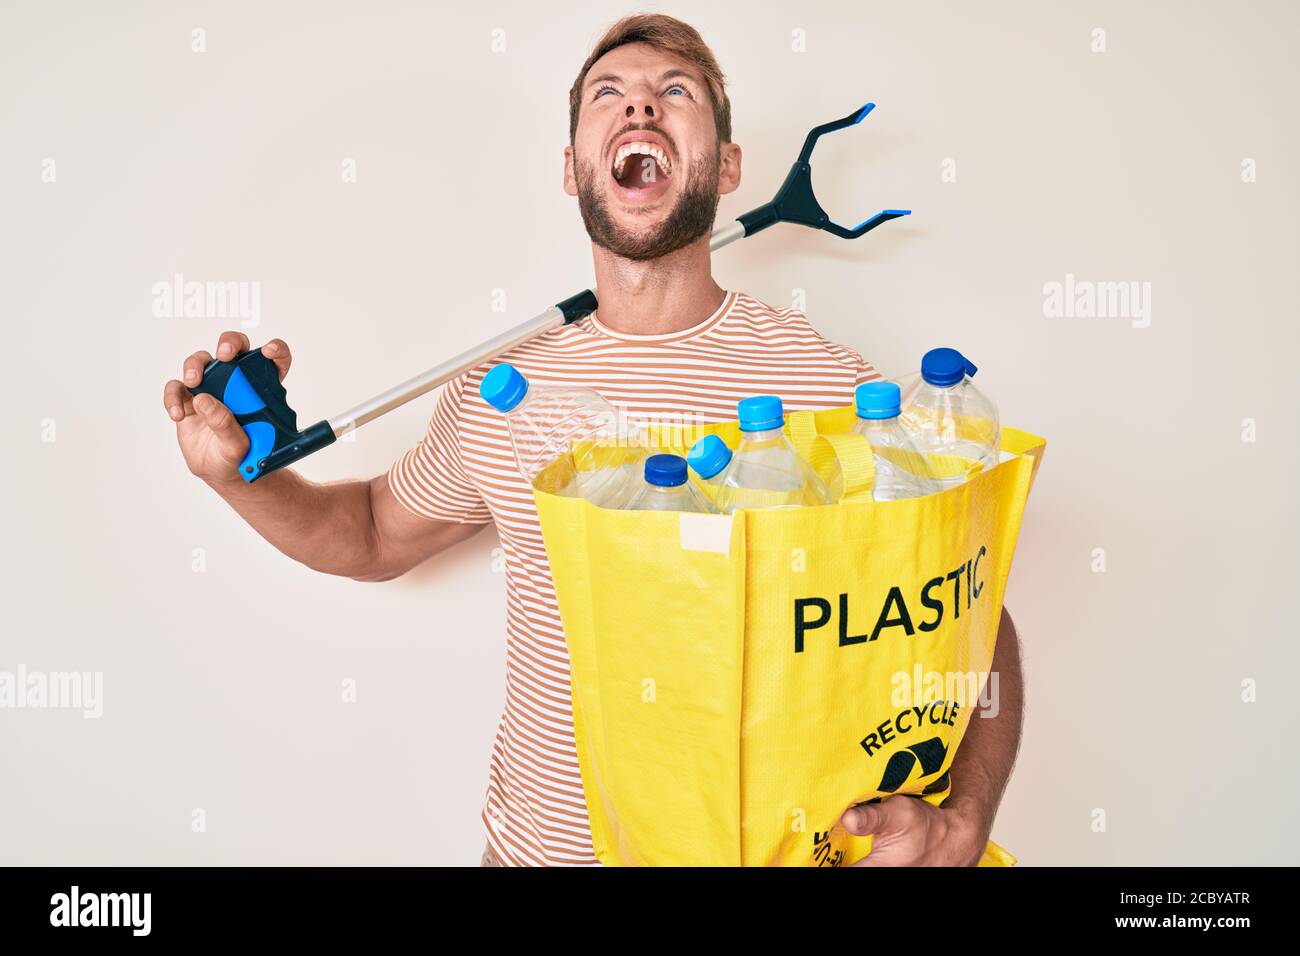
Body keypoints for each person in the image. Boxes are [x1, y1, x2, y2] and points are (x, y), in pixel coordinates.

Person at [161, 13, 1023, 868]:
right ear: (572, 169)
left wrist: (967, 815)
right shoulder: (502, 391)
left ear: (726, 165)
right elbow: (375, 534)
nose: (639, 109)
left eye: (674, 92)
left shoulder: (831, 390)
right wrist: (240, 478)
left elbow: (974, 617)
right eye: (608, 95)